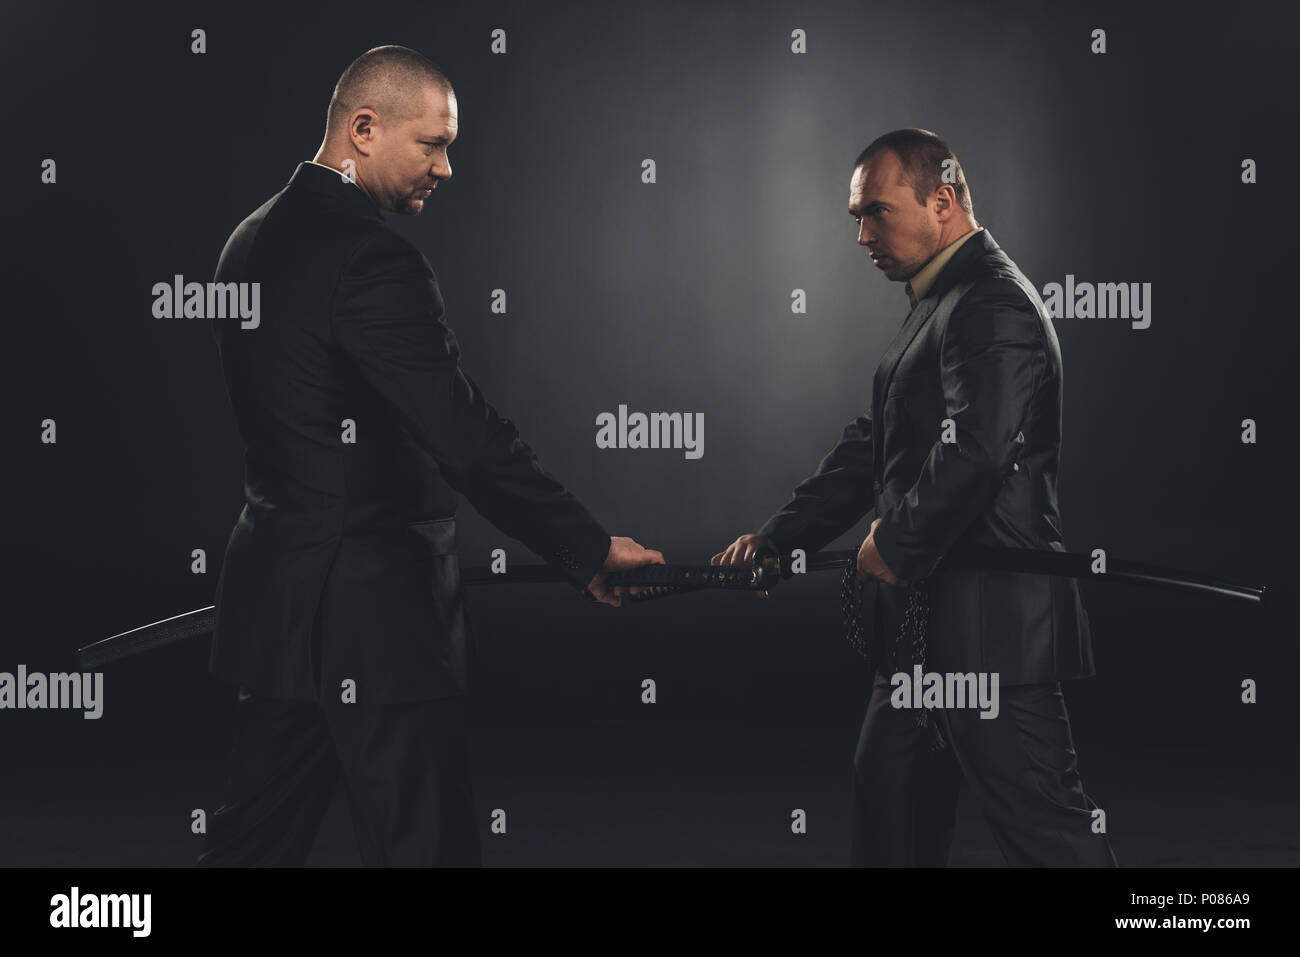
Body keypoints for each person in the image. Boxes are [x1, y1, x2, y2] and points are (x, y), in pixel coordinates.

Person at [197, 45, 663, 867]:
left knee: (249, 850)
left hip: (276, 609)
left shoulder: (246, 241)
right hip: (379, 627)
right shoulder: (374, 259)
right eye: (433, 144)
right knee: (426, 849)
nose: (445, 167)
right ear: (364, 129)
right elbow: (466, 438)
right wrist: (586, 547)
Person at [713, 129, 1116, 866]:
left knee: (1049, 837)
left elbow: (979, 448)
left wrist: (897, 541)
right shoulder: (943, 299)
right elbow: (878, 445)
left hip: (990, 635)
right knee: (889, 808)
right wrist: (781, 537)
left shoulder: (991, 302)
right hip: (922, 635)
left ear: (943, 200)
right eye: (856, 217)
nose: (863, 235)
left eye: (878, 212)